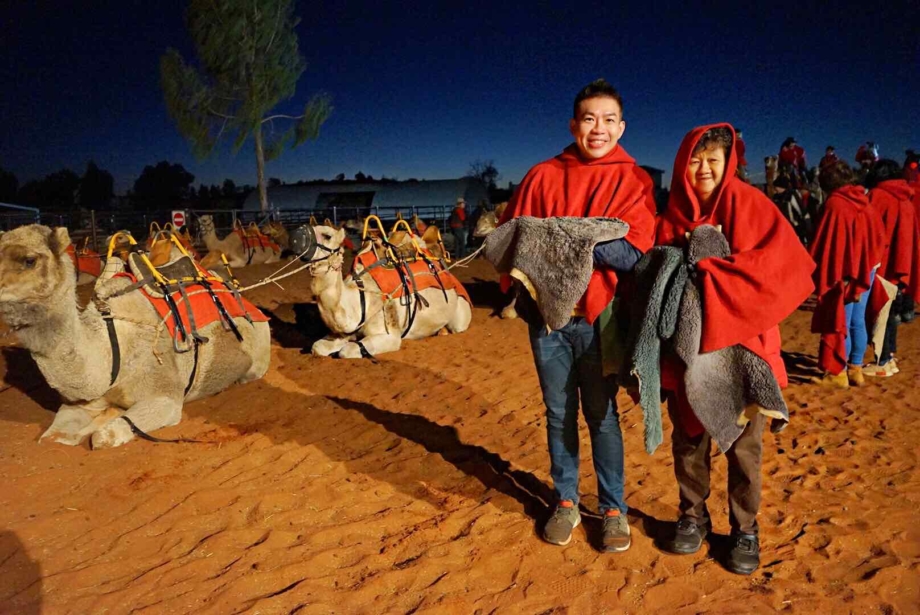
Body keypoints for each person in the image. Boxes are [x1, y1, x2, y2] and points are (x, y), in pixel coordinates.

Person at [499, 78, 655, 551]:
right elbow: (514, 240)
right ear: (574, 124)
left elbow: (634, 252)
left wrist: (564, 238)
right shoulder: (543, 175)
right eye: (590, 119)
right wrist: (586, 238)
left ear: (622, 126)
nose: (599, 129)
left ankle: (613, 509)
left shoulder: (634, 180)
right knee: (557, 413)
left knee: (602, 414)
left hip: (600, 316)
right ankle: (565, 500)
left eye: (609, 120)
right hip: (548, 319)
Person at [655, 124, 815, 575]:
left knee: (744, 448)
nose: (703, 168)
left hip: (744, 346)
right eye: (695, 159)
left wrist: (709, 268)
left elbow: (777, 265)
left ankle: (745, 529)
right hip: (685, 352)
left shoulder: (750, 203)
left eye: (712, 160)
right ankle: (692, 516)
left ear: (728, 164)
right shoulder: (670, 217)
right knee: (689, 442)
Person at [808, 161, 884, 388]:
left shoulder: (835, 204)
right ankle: (856, 369)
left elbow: (829, 242)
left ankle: (837, 373)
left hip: (843, 272)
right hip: (867, 270)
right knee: (856, 321)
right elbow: (879, 237)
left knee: (840, 321)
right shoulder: (864, 201)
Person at [864, 159, 918, 376]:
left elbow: (870, 229)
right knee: (891, 312)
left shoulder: (878, 196)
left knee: (879, 313)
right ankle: (890, 357)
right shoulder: (905, 196)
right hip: (900, 263)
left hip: (883, 264)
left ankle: (882, 361)